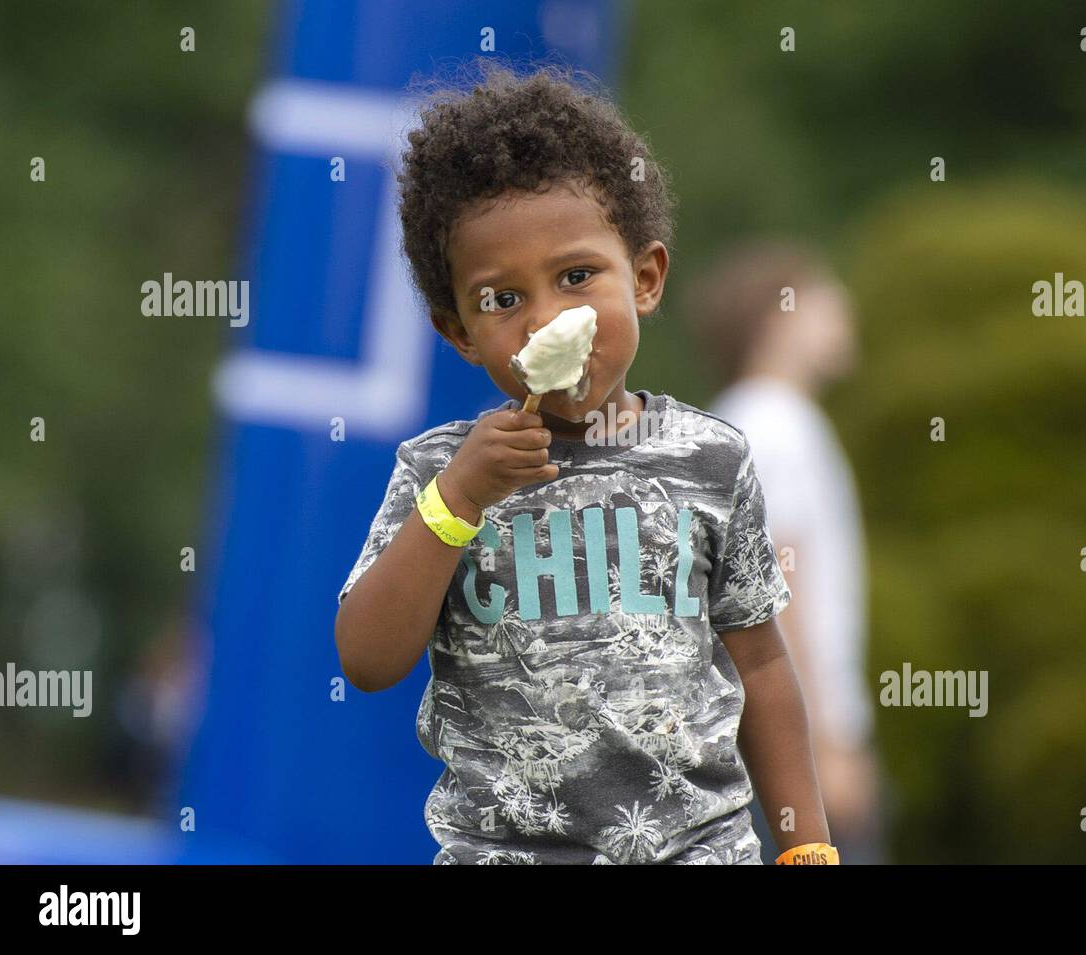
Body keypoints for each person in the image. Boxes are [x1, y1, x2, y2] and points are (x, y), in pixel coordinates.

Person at [334, 61, 837, 865]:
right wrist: (458, 497)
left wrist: (806, 846)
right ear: (457, 331)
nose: (546, 319)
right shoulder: (440, 469)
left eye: (577, 277)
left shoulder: (712, 460)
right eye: (500, 300)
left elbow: (764, 668)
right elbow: (365, 658)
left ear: (644, 278)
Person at [688, 238, 886, 864]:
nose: (843, 308)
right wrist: (823, 749)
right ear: (776, 321)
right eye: (822, 296)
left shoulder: (751, 420)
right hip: (793, 752)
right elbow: (774, 598)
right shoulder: (774, 423)